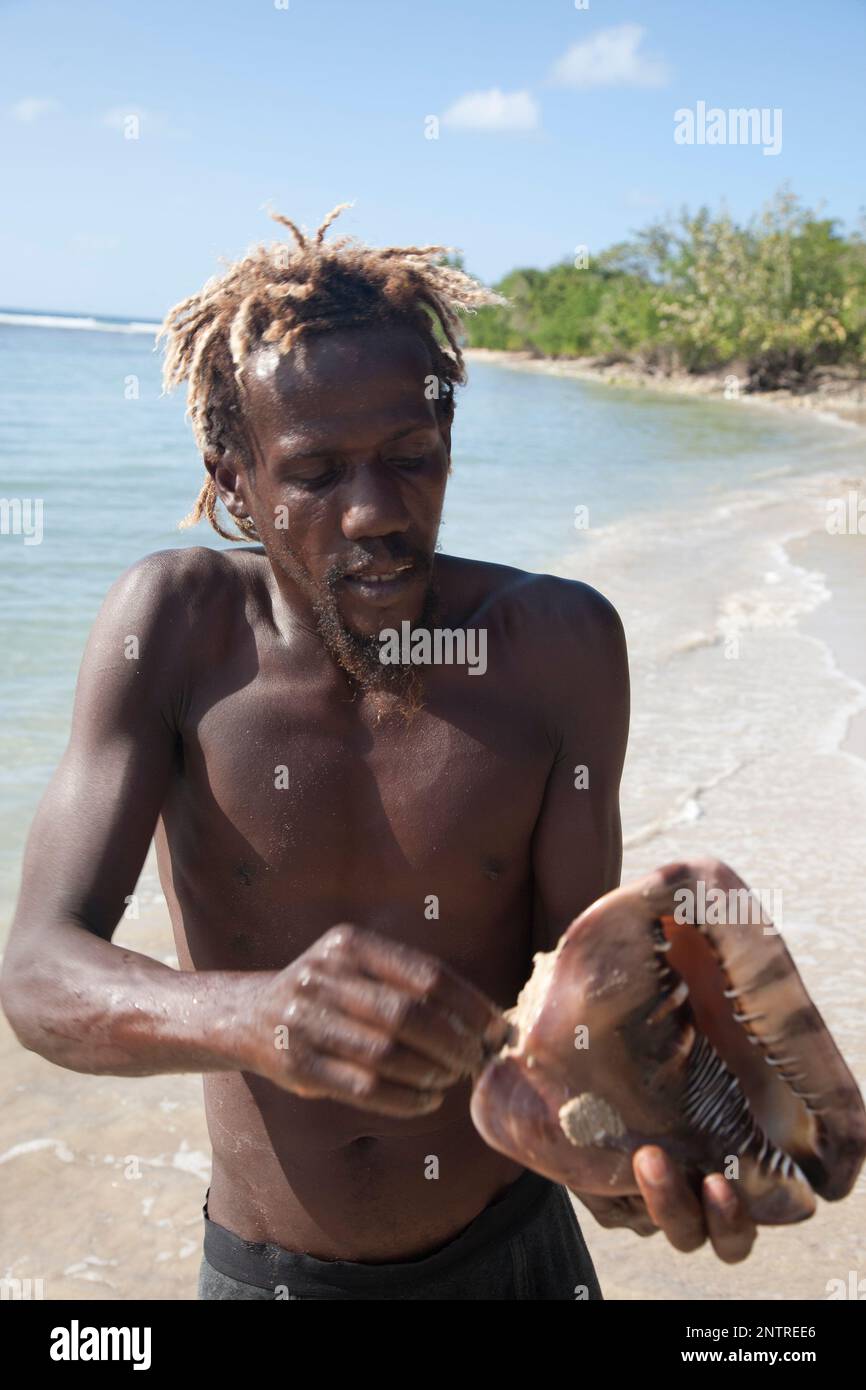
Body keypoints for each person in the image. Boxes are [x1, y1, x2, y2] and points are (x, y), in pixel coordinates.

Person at [0, 205, 757, 1299]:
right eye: (313, 474)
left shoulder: (559, 646)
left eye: (412, 457)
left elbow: (574, 984)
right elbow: (35, 973)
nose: (372, 513)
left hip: (517, 1251)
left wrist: (636, 1132)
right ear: (233, 482)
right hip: (272, 1276)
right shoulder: (170, 629)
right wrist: (253, 1015)